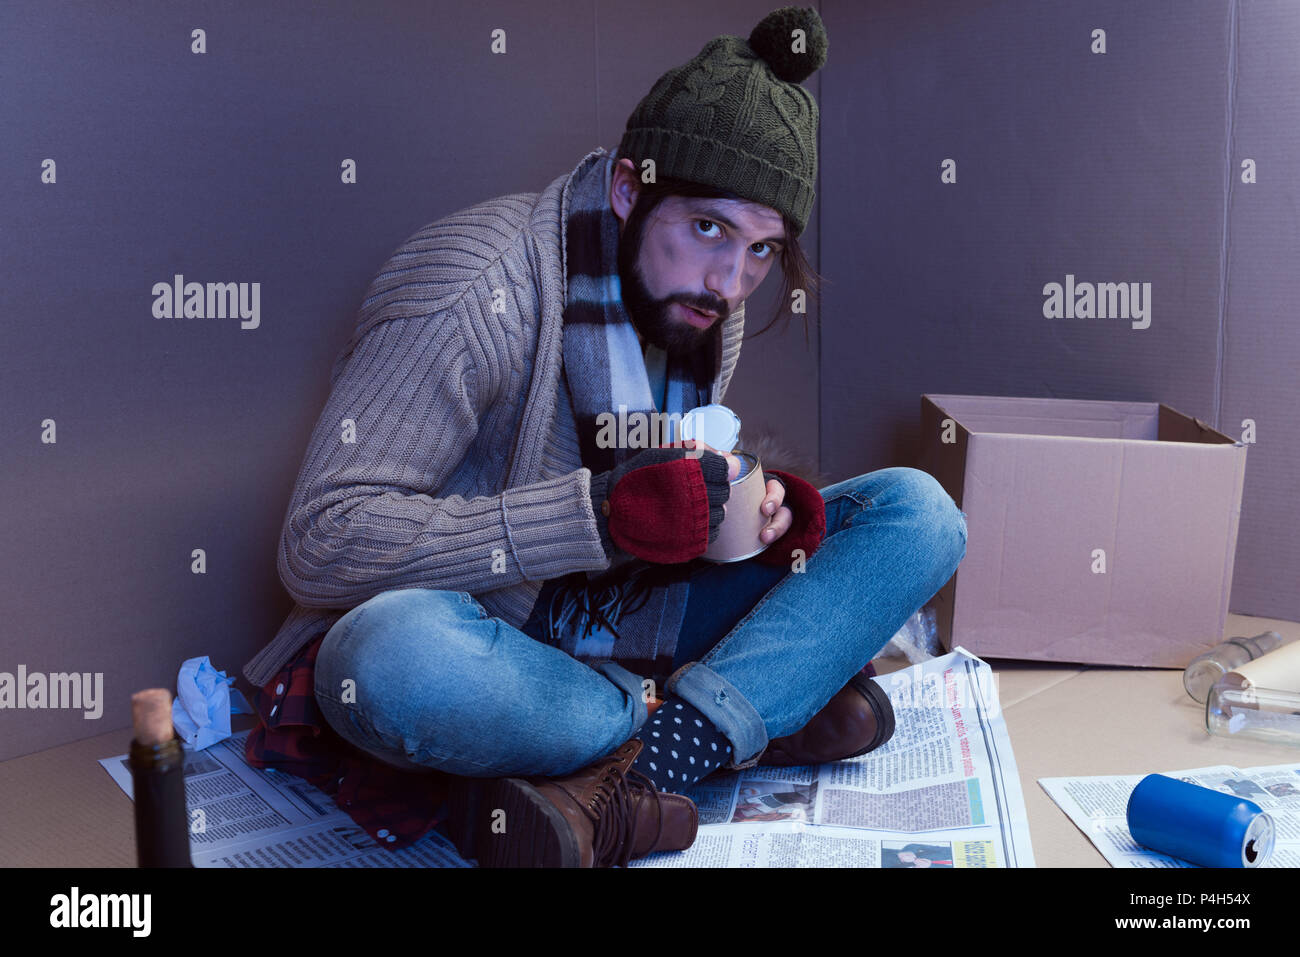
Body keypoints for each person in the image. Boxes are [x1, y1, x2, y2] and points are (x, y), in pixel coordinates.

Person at [242, 5, 967, 868]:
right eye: (708, 228)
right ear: (630, 189)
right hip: (478, 632)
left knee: (916, 513)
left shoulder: (701, 305)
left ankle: (631, 769)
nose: (732, 282)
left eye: (763, 250)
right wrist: (599, 514)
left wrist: (759, 515)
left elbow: (655, 504)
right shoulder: (473, 287)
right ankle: (745, 712)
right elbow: (320, 543)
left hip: (607, 620)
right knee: (393, 660)